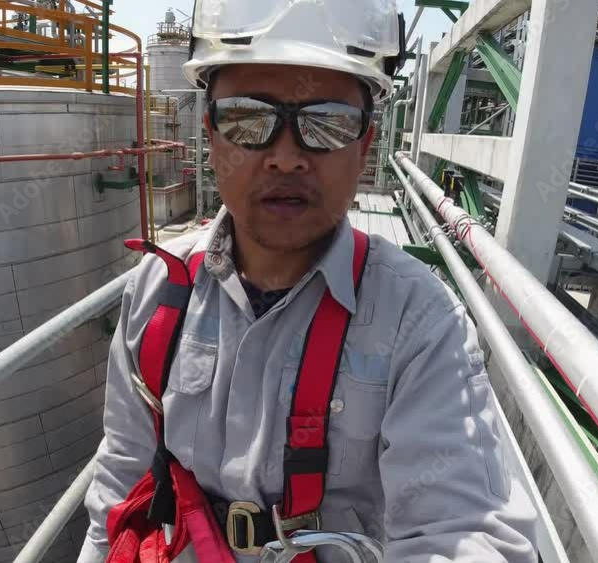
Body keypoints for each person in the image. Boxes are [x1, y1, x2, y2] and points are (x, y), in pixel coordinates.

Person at [79, 1, 538, 561]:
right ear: (211, 135)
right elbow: (122, 482)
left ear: (366, 146)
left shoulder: (417, 321)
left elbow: (467, 530)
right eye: (249, 120)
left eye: (327, 124)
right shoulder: (157, 292)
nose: (286, 158)